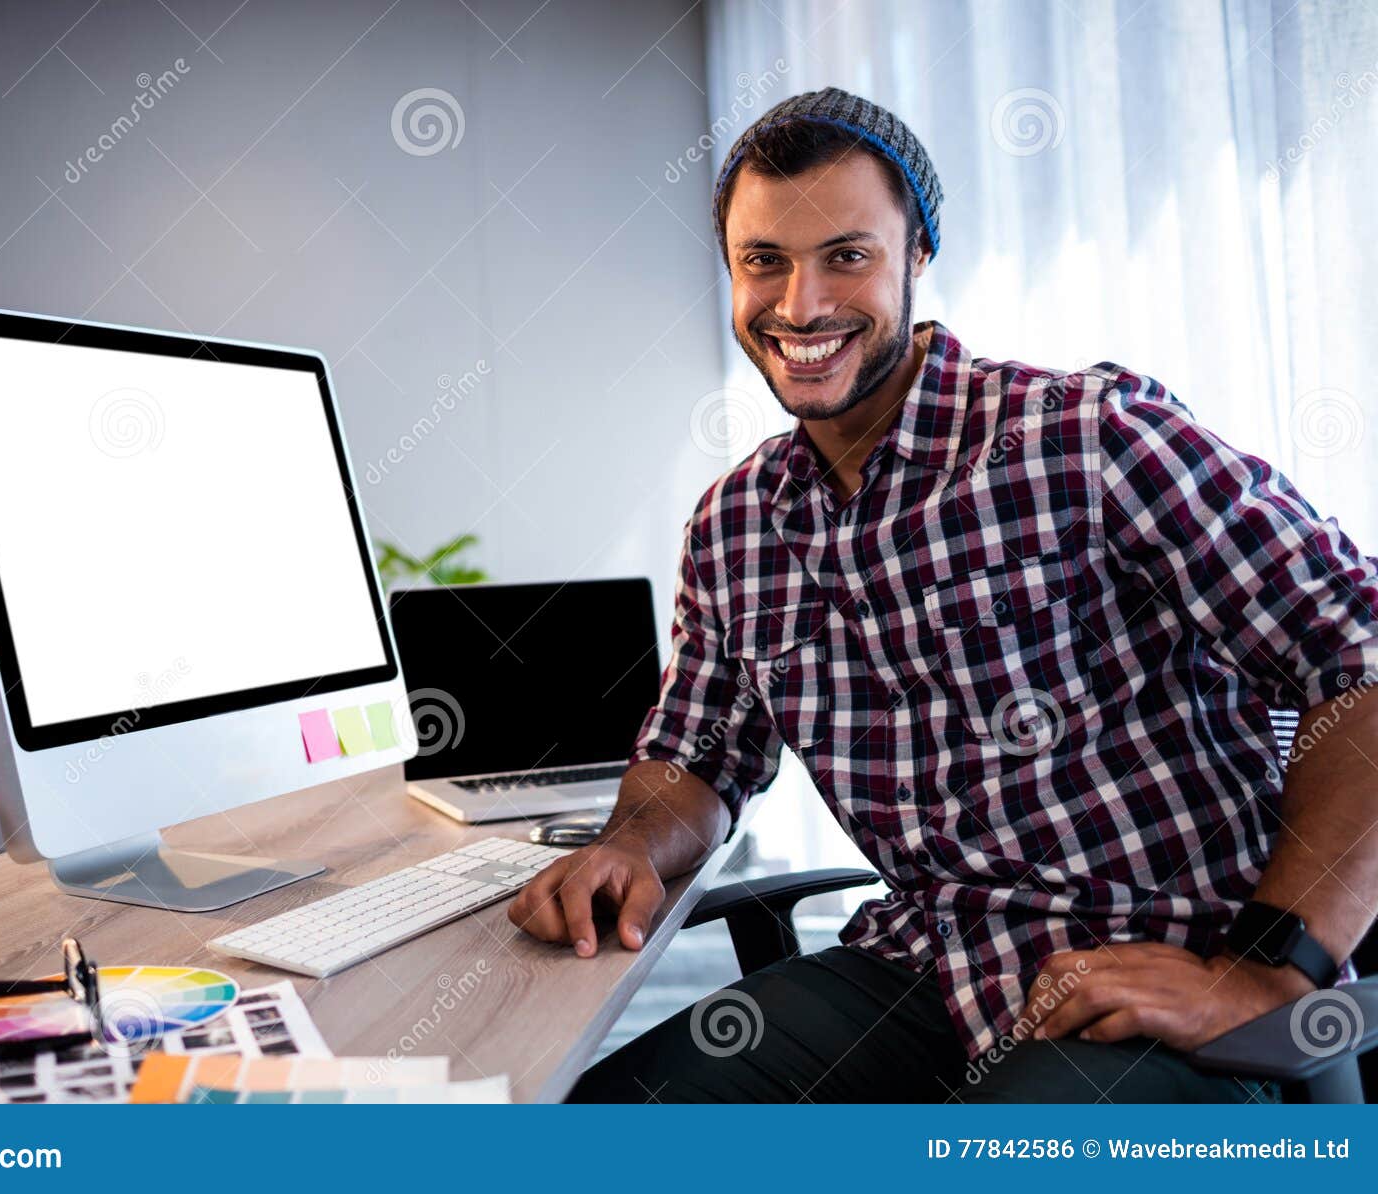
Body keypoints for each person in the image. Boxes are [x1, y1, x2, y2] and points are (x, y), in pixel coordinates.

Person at [508, 88, 1378, 1102]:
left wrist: (1271, 969)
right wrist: (629, 845)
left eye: (847, 255)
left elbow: (1356, 654)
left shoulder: (1085, 435)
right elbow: (697, 758)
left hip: (1165, 963)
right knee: (598, 1127)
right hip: (923, 964)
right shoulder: (736, 522)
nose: (799, 306)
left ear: (917, 254)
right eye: (764, 262)